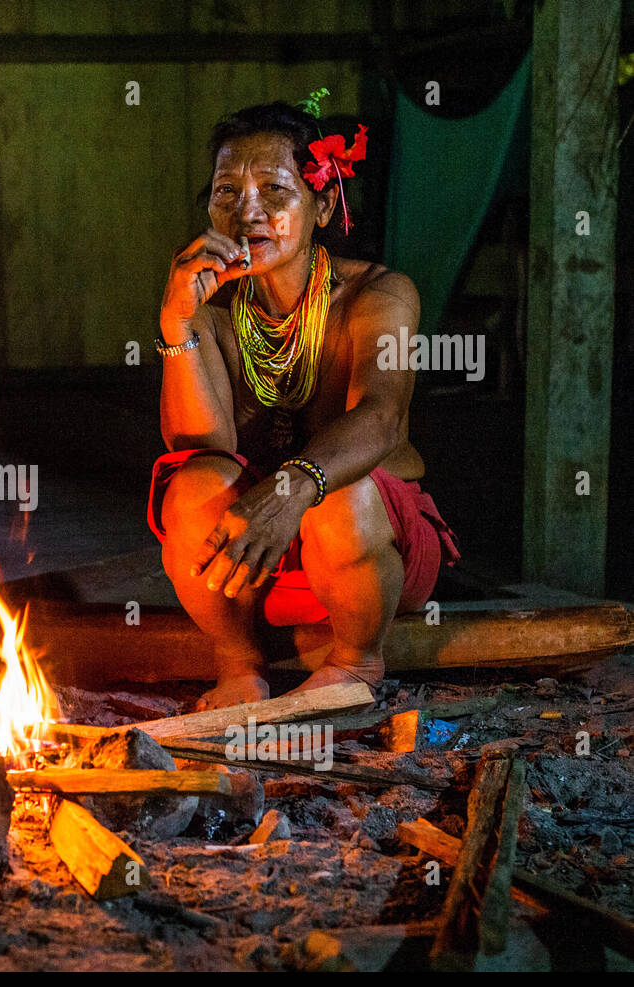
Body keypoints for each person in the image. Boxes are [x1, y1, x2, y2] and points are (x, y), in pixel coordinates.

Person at [150, 101, 460, 711]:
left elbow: (382, 418)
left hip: (366, 556)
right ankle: (238, 663)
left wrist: (295, 487)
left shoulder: (379, 294)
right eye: (226, 192)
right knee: (190, 487)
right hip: (258, 563)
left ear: (323, 206)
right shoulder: (211, 307)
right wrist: (175, 319)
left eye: (274, 190)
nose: (248, 212)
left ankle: (355, 663)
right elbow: (197, 444)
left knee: (338, 494)